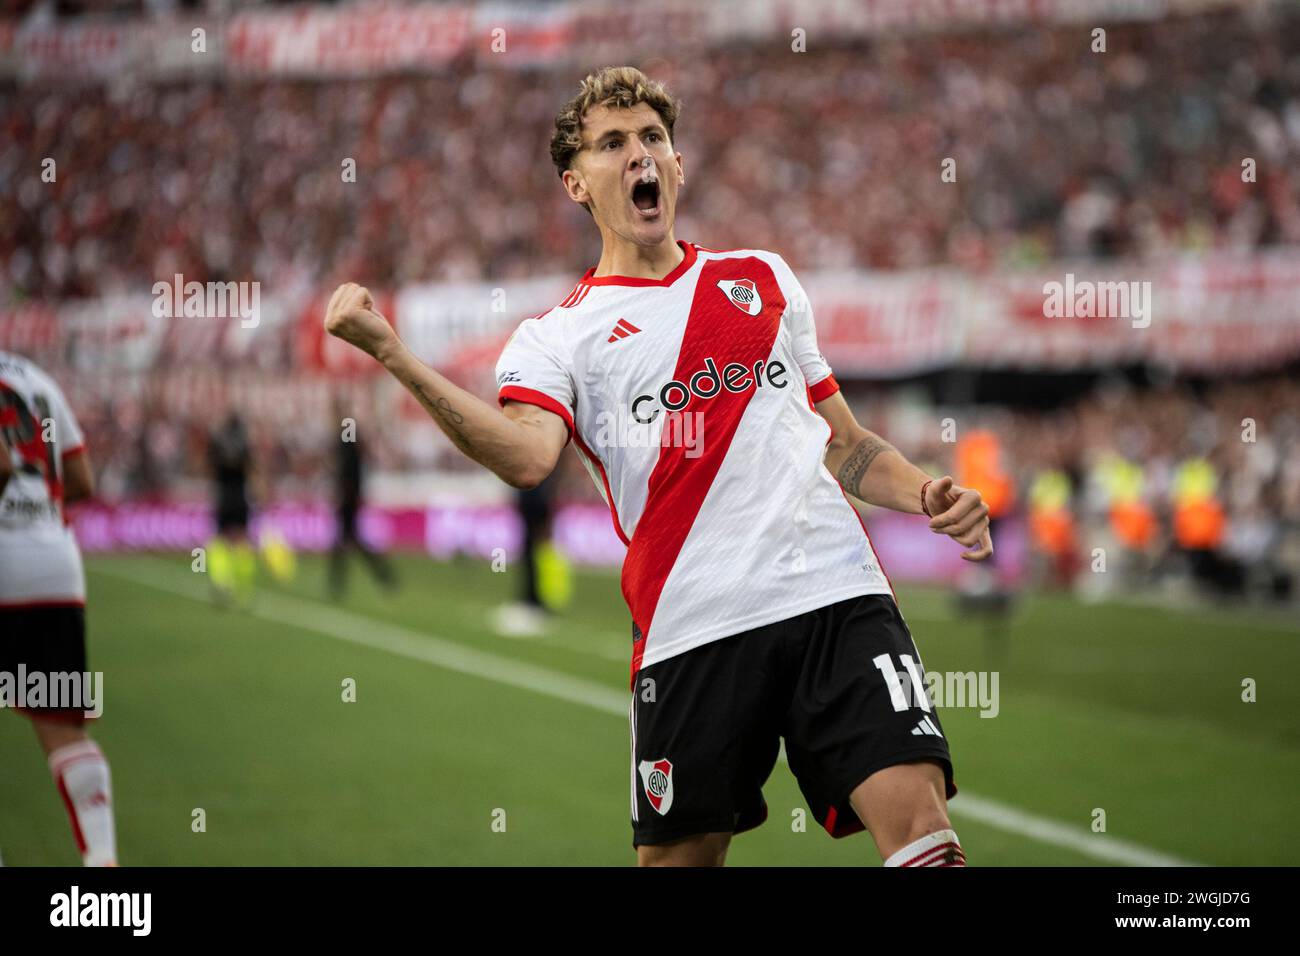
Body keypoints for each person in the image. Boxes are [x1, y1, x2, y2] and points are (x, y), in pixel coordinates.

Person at [322, 67, 991, 867]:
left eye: (653, 138)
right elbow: (528, 456)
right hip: (693, 627)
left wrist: (925, 491)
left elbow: (841, 441)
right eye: (613, 144)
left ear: (677, 165)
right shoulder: (557, 337)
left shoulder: (762, 279)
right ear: (577, 183)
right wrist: (392, 353)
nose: (640, 154)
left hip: (837, 596)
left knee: (927, 837)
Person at [0, 351, 118, 866]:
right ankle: (102, 863)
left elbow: (0, 465)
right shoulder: (36, 378)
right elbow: (81, 481)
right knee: (63, 728)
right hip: (54, 567)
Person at [328, 397, 396, 597]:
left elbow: (351, 461)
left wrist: (348, 491)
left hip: (348, 496)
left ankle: (337, 585)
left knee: (346, 541)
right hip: (349, 494)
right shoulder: (346, 430)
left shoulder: (347, 429)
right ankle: (379, 576)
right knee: (350, 540)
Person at [206, 411, 257, 606]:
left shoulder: (218, 443)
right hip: (241, 497)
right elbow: (252, 470)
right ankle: (244, 590)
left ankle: (222, 582)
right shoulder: (244, 445)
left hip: (224, 496)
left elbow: (209, 466)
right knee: (242, 541)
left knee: (219, 540)